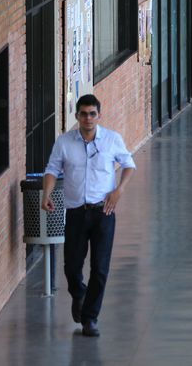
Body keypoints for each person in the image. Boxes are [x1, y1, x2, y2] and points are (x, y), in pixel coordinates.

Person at [41, 94, 136, 338]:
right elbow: (52, 169)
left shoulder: (112, 140)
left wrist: (118, 191)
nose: (88, 118)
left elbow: (128, 164)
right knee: (72, 267)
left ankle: (90, 318)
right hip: (75, 213)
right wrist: (47, 194)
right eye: (83, 114)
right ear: (77, 116)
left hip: (103, 212)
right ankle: (79, 294)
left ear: (99, 115)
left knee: (100, 268)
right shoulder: (64, 142)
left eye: (92, 114)